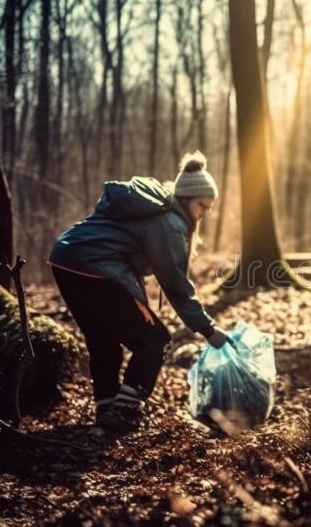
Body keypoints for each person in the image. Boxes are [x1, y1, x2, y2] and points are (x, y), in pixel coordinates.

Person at [50, 151, 229, 434]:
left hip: (65, 258)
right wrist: (207, 329)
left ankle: (106, 411)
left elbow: (129, 261)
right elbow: (174, 284)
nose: (205, 212)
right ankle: (123, 412)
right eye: (202, 205)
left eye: (209, 207)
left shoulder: (153, 209)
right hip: (95, 267)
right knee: (154, 340)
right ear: (185, 198)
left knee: (103, 339)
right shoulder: (169, 223)